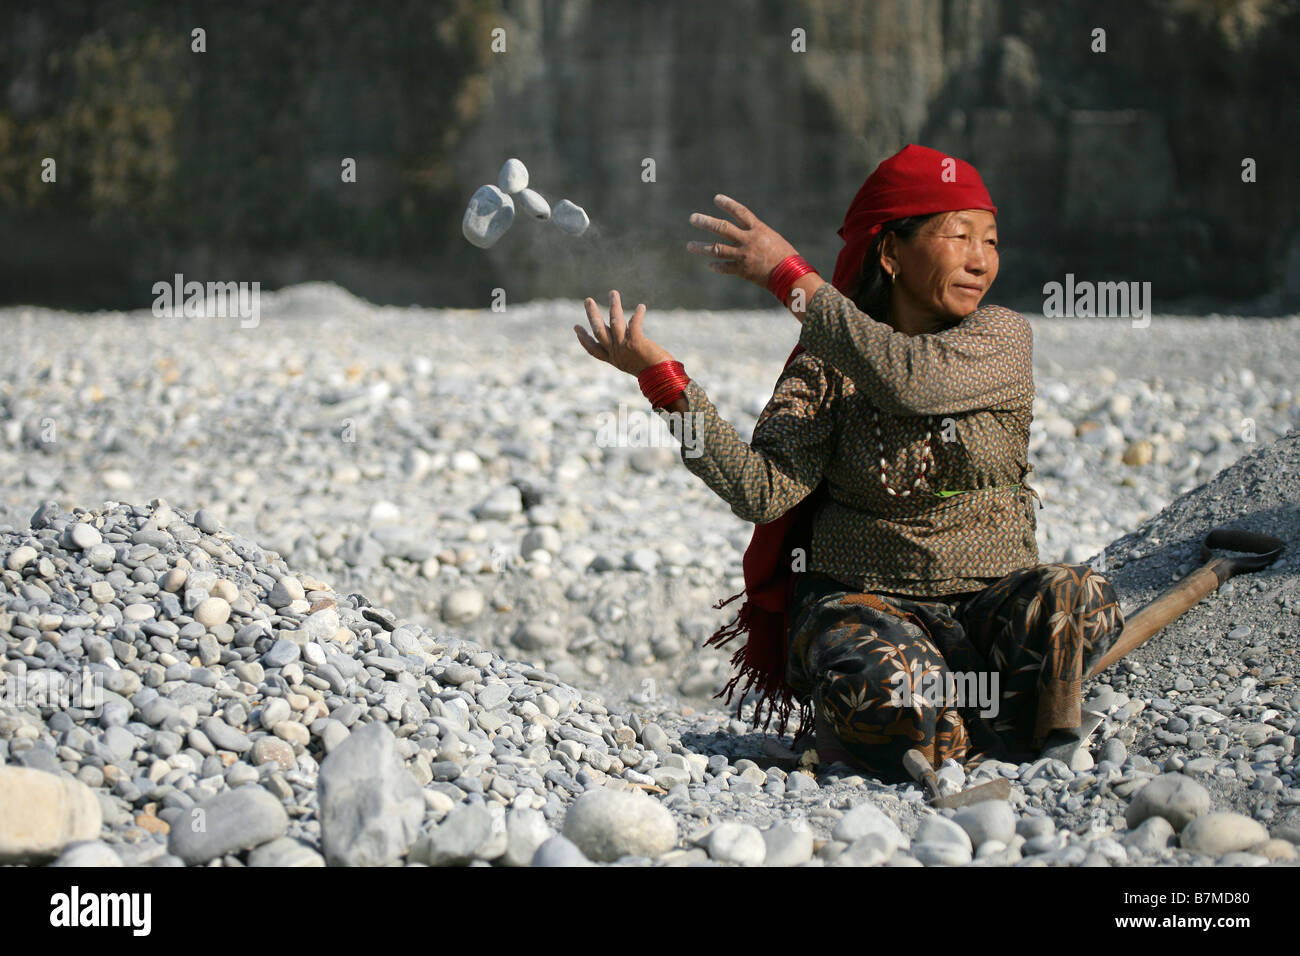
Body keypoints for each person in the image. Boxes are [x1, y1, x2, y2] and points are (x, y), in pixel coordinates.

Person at [573, 144, 1124, 782]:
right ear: (891, 253)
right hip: (867, 607)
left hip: (988, 607)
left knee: (1080, 597)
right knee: (884, 687)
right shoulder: (824, 362)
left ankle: (959, 721)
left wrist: (788, 275)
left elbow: (913, 383)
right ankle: (987, 722)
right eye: (960, 236)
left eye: (992, 241)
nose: (981, 260)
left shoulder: (999, 339)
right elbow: (761, 491)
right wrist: (663, 382)